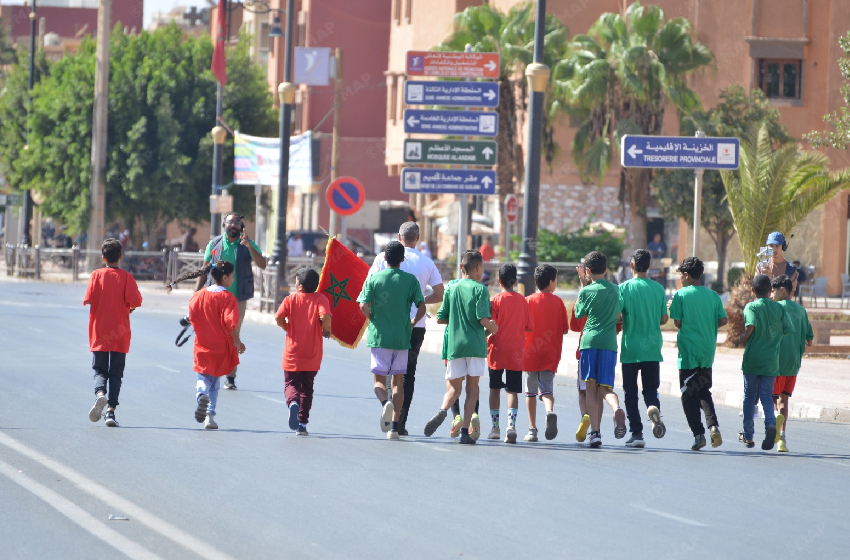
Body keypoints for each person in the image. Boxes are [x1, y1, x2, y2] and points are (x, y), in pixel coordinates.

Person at [368, 222, 444, 435]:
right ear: (417, 238)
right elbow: (440, 294)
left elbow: (369, 286)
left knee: (383, 374)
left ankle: (387, 406)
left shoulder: (382, 259)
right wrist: (419, 301)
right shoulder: (426, 262)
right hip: (415, 325)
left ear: (399, 237)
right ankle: (399, 423)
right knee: (405, 375)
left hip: (386, 323)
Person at [424, 251, 497, 445]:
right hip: (475, 344)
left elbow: (440, 318)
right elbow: (482, 319)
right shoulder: (480, 290)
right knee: (472, 389)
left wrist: (457, 319)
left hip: (454, 345)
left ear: (461, 268)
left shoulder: (451, 288)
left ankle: (443, 410)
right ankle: (465, 431)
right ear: (478, 268)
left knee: (454, 390)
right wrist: (492, 327)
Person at [358, 241, 426, 439]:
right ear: (402, 260)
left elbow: (363, 305)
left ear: (385, 258)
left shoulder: (374, 278)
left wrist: (373, 319)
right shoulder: (410, 280)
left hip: (380, 336)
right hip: (402, 336)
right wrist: (412, 323)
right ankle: (395, 427)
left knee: (379, 382)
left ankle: (384, 403)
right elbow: (422, 307)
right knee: (398, 382)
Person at [195, 213, 267, 390]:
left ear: (241, 225)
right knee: (213, 335)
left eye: (237, 222)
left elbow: (262, 264)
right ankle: (211, 370)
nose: (234, 225)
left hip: (237, 300)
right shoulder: (214, 244)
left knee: (233, 334)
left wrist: (250, 246)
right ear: (224, 224)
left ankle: (231, 376)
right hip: (214, 299)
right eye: (230, 222)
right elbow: (204, 269)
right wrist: (196, 293)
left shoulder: (246, 244)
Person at [669, 257, 728, 451]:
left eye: (680, 276)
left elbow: (677, 322)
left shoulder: (681, 295)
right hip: (707, 351)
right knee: (703, 391)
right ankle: (713, 426)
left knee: (688, 395)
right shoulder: (712, 296)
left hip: (688, 352)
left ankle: (698, 434)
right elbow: (722, 320)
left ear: (686, 275)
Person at [85, 239, 143, 428]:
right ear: (121, 256)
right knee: (116, 372)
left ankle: (100, 394)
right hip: (120, 332)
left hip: (100, 330)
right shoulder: (126, 277)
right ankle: (110, 412)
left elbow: (89, 299)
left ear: (103, 257)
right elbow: (136, 301)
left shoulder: (96, 275)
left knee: (100, 370)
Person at [574, 251, 626, 448]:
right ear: (605, 269)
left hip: (589, 343)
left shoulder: (586, 291)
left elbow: (579, 313)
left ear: (587, 271)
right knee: (605, 388)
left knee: (590, 388)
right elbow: (620, 313)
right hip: (609, 344)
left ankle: (595, 433)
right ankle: (616, 409)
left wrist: (583, 286)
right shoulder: (615, 289)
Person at [618, 249, 668, 448]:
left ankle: (637, 433)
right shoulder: (658, 289)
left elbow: (618, 317)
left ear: (631, 266)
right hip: (652, 348)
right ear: (649, 266)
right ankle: (653, 407)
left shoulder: (624, 288)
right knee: (650, 390)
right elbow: (664, 319)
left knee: (630, 392)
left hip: (631, 349)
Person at [188, 261, 247, 429]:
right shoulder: (228, 298)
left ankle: (201, 395)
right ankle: (210, 416)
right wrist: (238, 341)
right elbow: (231, 323)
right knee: (215, 383)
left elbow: (192, 315)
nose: (234, 279)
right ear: (225, 277)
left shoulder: (199, 295)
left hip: (202, 345)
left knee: (202, 376)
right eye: (233, 276)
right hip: (220, 347)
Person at [738, 274, 794, 450]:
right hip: (771, 362)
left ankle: (748, 436)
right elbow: (789, 329)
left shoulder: (751, 307)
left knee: (749, 397)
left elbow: (750, 327)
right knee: (767, 397)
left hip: (753, 360)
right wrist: (774, 336)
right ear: (770, 290)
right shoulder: (779, 309)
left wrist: (743, 337)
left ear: (753, 290)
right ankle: (770, 425)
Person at [275, 268, 332, 436]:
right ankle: (302, 423)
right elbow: (326, 317)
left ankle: (293, 402)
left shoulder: (290, 299)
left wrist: (287, 327)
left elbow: (278, 317)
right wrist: (326, 330)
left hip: (293, 351)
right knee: (307, 388)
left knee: (291, 383)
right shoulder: (321, 299)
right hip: (312, 353)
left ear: (299, 286)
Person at [486, 264, 533, 443]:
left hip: (496, 350)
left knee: (494, 388)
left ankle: (495, 427)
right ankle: (511, 426)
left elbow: (491, 325)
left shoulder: (495, 300)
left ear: (499, 281)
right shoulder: (523, 301)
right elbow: (530, 326)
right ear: (516, 281)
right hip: (516, 351)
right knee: (512, 390)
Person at [522, 264, 569, 443]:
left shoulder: (528, 301)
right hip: (550, 353)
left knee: (530, 392)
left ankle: (532, 429)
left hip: (529, 354)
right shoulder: (558, 303)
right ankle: (549, 411)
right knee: (547, 389)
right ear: (550, 282)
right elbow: (565, 329)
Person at [771, 274, 813, 453]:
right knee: (784, 399)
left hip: (776, 362)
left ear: (782, 290)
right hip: (794, 363)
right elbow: (810, 340)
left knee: (771, 397)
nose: (771, 295)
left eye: (773, 291)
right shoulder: (801, 311)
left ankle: (775, 422)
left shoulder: (774, 308)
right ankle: (783, 439)